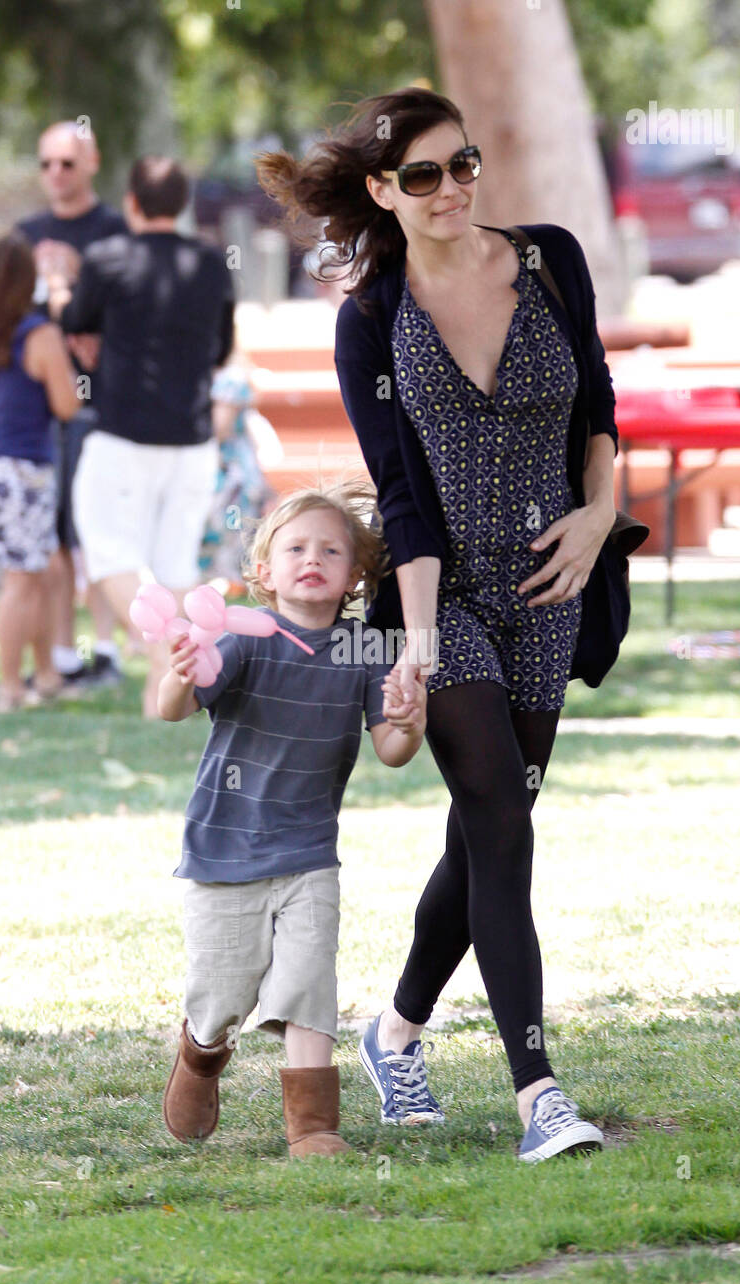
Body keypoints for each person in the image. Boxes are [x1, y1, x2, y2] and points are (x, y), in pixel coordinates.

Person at [257, 88, 618, 1162]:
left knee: (484, 830)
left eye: (460, 164)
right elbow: (400, 494)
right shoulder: (368, 316)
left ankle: (395, 1030)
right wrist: (414, 639)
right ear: (381, 190)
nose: (451, 187)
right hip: (441, 596)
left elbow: (596, 405)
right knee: (502, 818)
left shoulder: (548, 260)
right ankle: (536, 1093)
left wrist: (598, 518)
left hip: (552, 586)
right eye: (423, 175)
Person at [158, 482, 429, 1156]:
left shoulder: (365, 649)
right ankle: (200, 1053)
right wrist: (178, 671)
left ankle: (312, 1128)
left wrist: (408, 720)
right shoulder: (244, 639)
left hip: (309, 855)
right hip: (223, 855)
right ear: (263, 572)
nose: (312, 559)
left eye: (331, 550)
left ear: (356, 575)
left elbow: (391, 752)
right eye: (296, 548)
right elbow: (173, 708)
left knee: (310, 985)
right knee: (221, 995)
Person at [47, 155, 236, 718]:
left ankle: (161, 658)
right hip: (193, 437)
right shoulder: (210, 262)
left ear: (131, 202)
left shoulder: (106, 258)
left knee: (107, 553)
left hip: (122, 433)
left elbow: (74, 320)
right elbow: (222, 349)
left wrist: (58, 286)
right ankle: (171, 685)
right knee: (176, 562)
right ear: (180, 206)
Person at [16, 120, 127, 690]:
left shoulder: (115, 231)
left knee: (98, 529)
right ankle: (61, 657)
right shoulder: (25, 233)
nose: (56, 173)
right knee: (53, 536)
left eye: (66, 161)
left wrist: (78, 282)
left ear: (91, 162)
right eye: (46, 163)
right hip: (38, 407)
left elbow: (136, 313)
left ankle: (106, 651)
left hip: (102, 404)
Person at [0, 234, 80, 711]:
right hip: (24, 471)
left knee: (32, 573)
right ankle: (9, 686)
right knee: (22, 579)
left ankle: (45, 675)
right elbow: (65, 403)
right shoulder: (37, 333)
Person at [198, 357, 279, 590]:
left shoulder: (230, 378)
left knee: (230, 525)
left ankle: (234, 581)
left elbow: (220, 427)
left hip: (229, 468)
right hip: (217, 464)